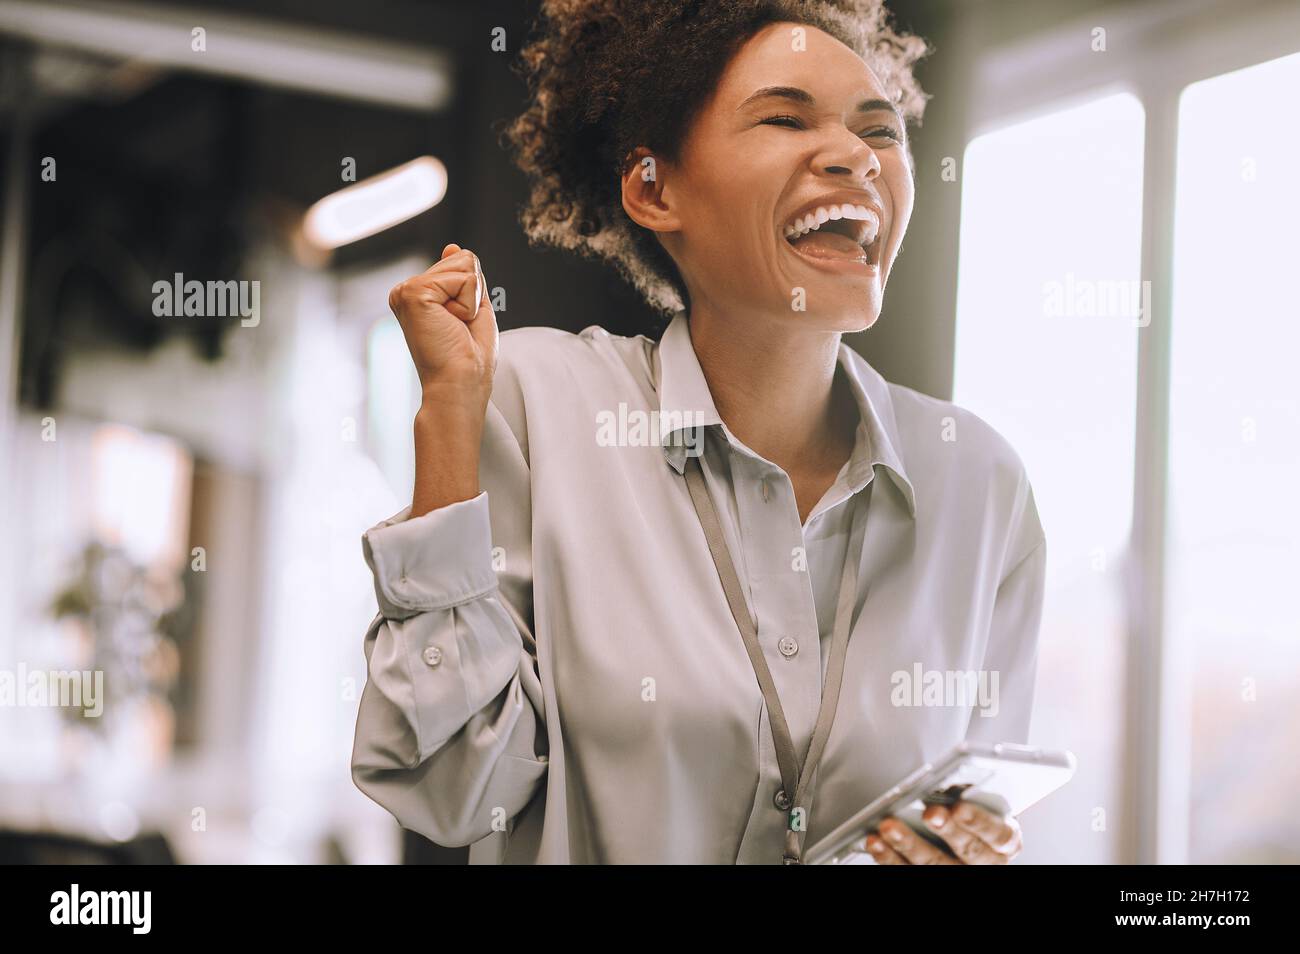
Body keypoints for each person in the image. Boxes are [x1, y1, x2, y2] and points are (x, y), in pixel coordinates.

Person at [351, 0, 1046, 865]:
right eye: (785, 118)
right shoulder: (537, 404)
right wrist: (449, 418)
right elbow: (451, 787)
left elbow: (973, 821)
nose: (857, 156)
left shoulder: (978, 484)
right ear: (654, 187)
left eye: (880, 130)